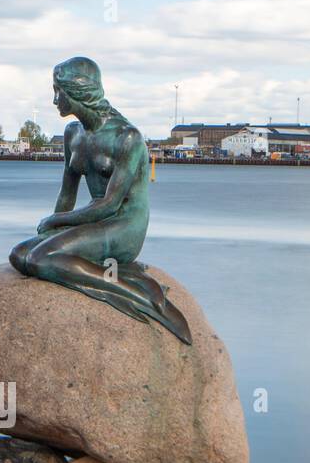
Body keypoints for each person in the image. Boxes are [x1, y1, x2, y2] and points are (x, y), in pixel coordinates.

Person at [10, 57, 192, 345]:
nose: (55, 99)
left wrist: (57, 223)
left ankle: (140, 293)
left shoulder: (126, 137)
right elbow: (67, 195)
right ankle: (108, 274)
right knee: (20, 255)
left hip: (122, 224)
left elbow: (109, 204)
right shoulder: (73, 134)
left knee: (41, 258)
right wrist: (51, 230)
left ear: (79, 92)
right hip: (93, 221)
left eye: (59, 91)